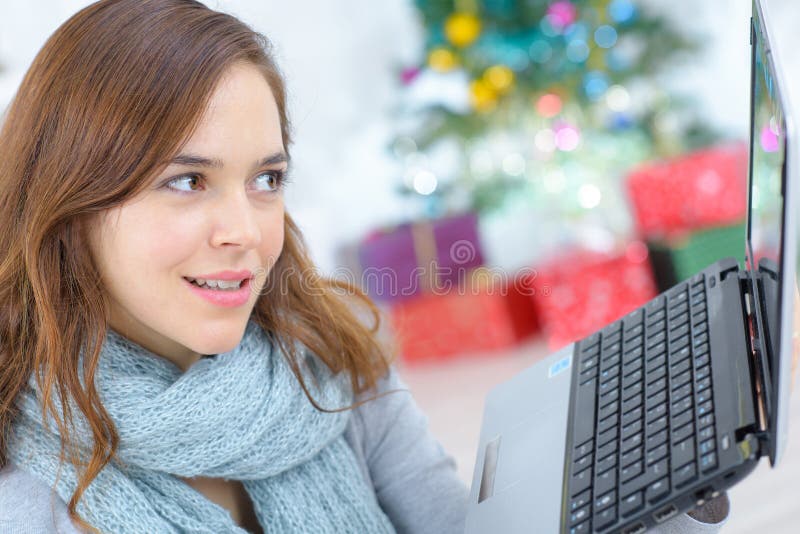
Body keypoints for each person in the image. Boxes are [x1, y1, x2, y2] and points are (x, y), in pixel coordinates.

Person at [0, 1, 729, 532]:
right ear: (67, 204)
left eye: (266, 179)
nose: (247, 232)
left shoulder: (324, 361)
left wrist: (662, 482)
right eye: (188, 181)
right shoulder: (23, 492)